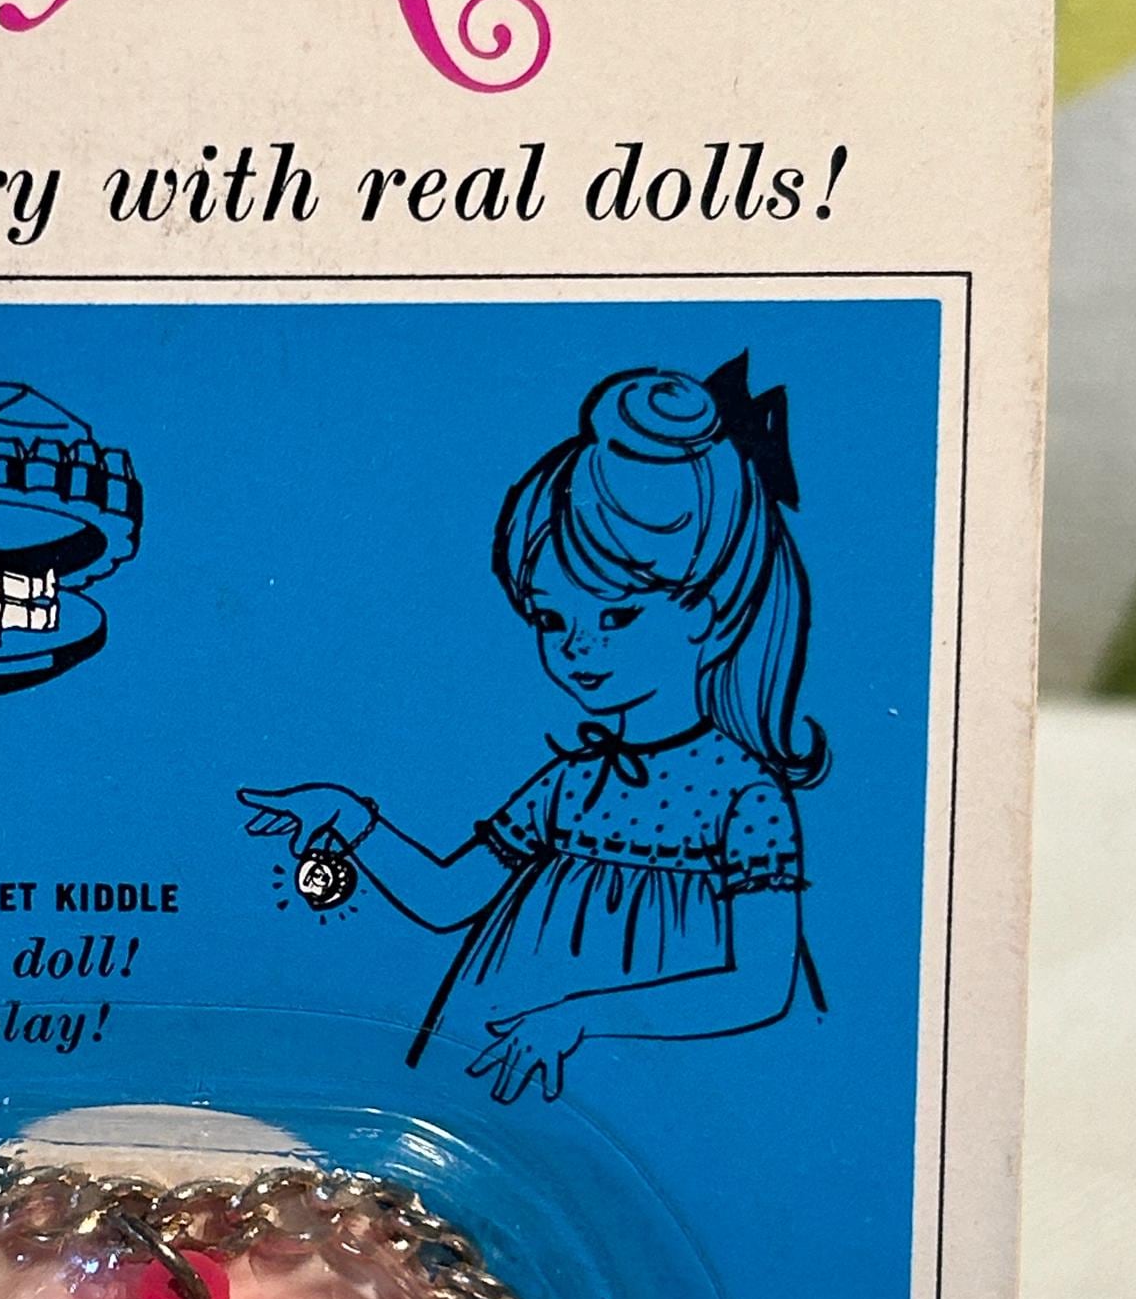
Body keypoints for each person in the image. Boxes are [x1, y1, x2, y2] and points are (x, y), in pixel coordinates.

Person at [240, 357, 826, 1101]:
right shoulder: (572, 784)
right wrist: (347, 817)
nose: (578, 645)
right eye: (551, 618)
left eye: (618, 615)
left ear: (706, 612)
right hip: (513, 1071)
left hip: (668, 1077)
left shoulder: (745, 796)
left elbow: (760, 985)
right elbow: (448, 899)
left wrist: (582, 1018)